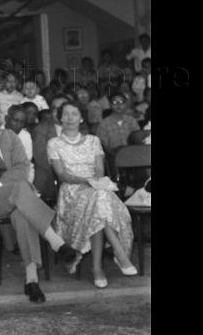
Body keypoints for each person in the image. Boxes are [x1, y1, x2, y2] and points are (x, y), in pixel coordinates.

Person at [0, 99, 79, 303]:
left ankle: (31, 280)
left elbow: (22, 169)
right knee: (23, 192)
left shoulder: (10, 136)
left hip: (8, 195)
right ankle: (55, 241)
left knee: (22, 210)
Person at [47, 101, 137, 288]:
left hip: (96, 188)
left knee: (99, 203)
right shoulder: (54, 143)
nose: (70, 118)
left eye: (74, 114)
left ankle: (97, 269)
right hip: (72, 191)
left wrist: (94, 182)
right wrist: (86, 181)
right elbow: (62, 174)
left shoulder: (93, 141)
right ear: (60, 118)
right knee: (100, 201)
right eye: (66, 114)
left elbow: (98, 169)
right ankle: (119, 255)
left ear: (81, 118)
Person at [31, 94, 69, 202]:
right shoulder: (41, 129)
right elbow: (41, 158)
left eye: (62, 108)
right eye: (54, 109)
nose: (58, 112)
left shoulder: (80, 128)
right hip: (52, 173)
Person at [96, 93, 140, 161]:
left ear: (125, 105)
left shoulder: (132, 121)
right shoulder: (104, 124)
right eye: (114, 102)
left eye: (121, 102)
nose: (118, 105)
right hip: (113, 156)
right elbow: (104, 146)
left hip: (132, 154)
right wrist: (116, 156)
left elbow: (138, 140)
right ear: (110, 105)